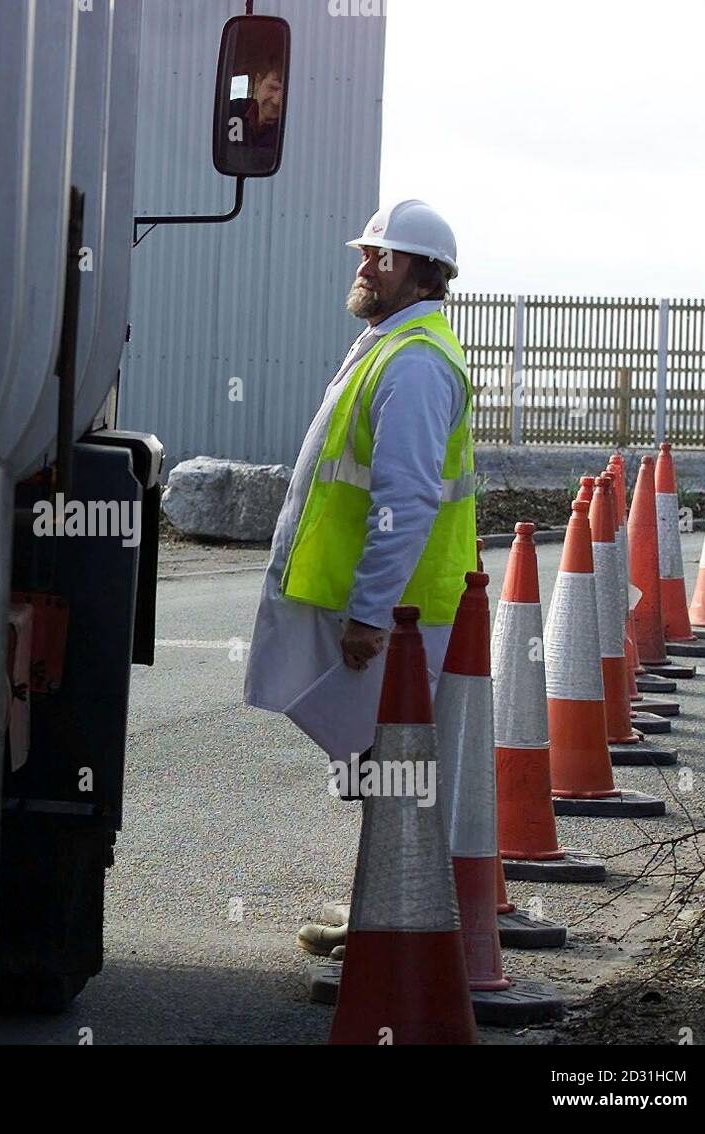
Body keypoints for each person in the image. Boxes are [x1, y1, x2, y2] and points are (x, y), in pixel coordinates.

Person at [241, 199, 476, 956]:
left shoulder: (414, 362)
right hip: (388, 609)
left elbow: (404, 500)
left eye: (382, 255)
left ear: (422, 274)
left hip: (401, 615)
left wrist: (372, 613)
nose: (365, 265)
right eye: (368, 252)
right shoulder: (393, 344)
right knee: (381, 766)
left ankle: (395, 927)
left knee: (394, 768)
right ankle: (381, 912)